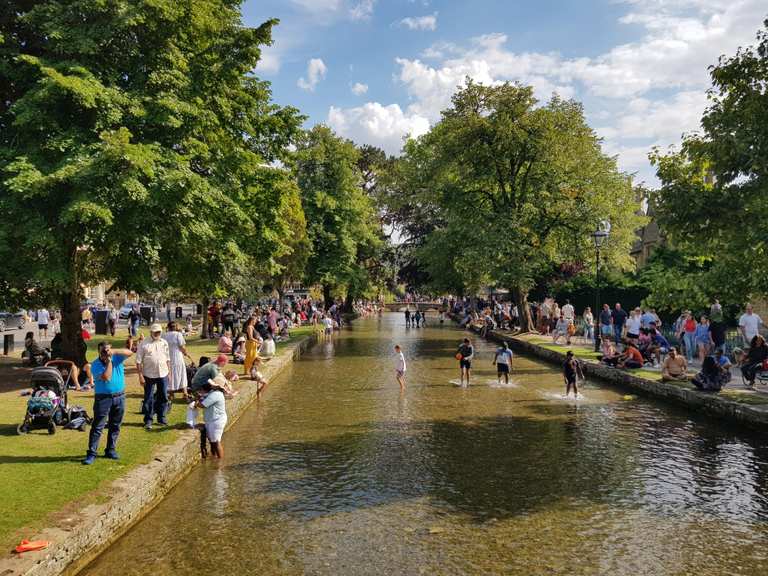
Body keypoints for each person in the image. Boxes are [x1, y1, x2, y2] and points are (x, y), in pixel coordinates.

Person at [83, 342, 134, 465]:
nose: (105, 353)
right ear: (98, 352)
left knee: (115, 425)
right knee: (98, 426)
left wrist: (114, 351)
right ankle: (91, 453)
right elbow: (107, 377)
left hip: (119, 396)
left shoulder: (116, 356)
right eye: (103, 351)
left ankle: (110, 449)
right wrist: (109, 361)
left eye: (107, 350)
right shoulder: (95, 365)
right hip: (103, 398)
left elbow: (130, 352)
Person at [136, 323, 172, 430]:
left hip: (163, 373)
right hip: (149, 375)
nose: (157, 334)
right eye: (155, 332)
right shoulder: (143, 344)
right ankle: (148, 420)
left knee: (163, 396)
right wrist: (140, 376)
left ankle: (162, 418)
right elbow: (138, 362)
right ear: (151, 332)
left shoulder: (164, 343)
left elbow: (168, 359)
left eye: (159, 332)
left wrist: (169, 373)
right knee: (148, 398)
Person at [187, 354, 229, 428]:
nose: (225, 365)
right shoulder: (213, 367)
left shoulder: (213, 365)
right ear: (222, 362)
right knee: (219, 391)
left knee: (220, 390)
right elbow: (218, 381)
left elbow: (221, 377)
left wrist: (226, 383)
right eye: (225, 363)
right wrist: (226, 389)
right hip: (198, 387)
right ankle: (191, 422)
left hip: (199, 385)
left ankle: (191, 421)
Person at [197, 374, 228, 459]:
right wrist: (201, 397)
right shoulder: (214, 392)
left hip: (216, 421)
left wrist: (196, 403)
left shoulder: (216, 394)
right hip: (213, 420)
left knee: (216, 441)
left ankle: (219, 463)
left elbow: (202, 405)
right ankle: (214, 456)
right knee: (212, 440)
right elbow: (205, 397)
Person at [164, 321, 190, 400]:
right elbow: (182, 347)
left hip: (168, 357)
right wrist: (185, 353)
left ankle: (171, 393)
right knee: (181, 373)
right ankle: (185, 393)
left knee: (170, 374)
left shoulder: (164, 335)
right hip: (177, 356)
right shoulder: (178, 335)